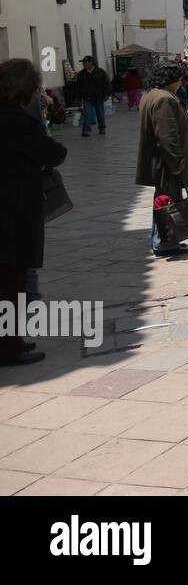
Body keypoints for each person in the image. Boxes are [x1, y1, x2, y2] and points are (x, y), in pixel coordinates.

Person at [0, 59, 68, 365]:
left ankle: (12, 341)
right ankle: (8, 346)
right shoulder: (16, 120)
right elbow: (53, 153)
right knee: (10, 283)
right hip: (12, 211)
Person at [135, 61, 188, 257]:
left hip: (161, 162)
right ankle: (163, 241)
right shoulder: (164, 99)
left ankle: (165, 239)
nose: (181, 84)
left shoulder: (151, 94)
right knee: (167, 203)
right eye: (179, 80)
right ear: (171, 80)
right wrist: (177, 164)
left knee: (163, 202)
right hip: (166, 164)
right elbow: (167, 136)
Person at [74, 55, 111, 136]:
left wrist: (106, 94)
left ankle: (102, 128)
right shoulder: (81, 74)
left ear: (91, 63)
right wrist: (78, 97)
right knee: (86, 113)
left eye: (86, 62)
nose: (84, 64)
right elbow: (78, 87)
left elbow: (106, 84)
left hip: (99, 96)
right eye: (83, 63)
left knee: (100, 113)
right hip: (87, 97)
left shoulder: (100, 72)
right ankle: (86, 130)